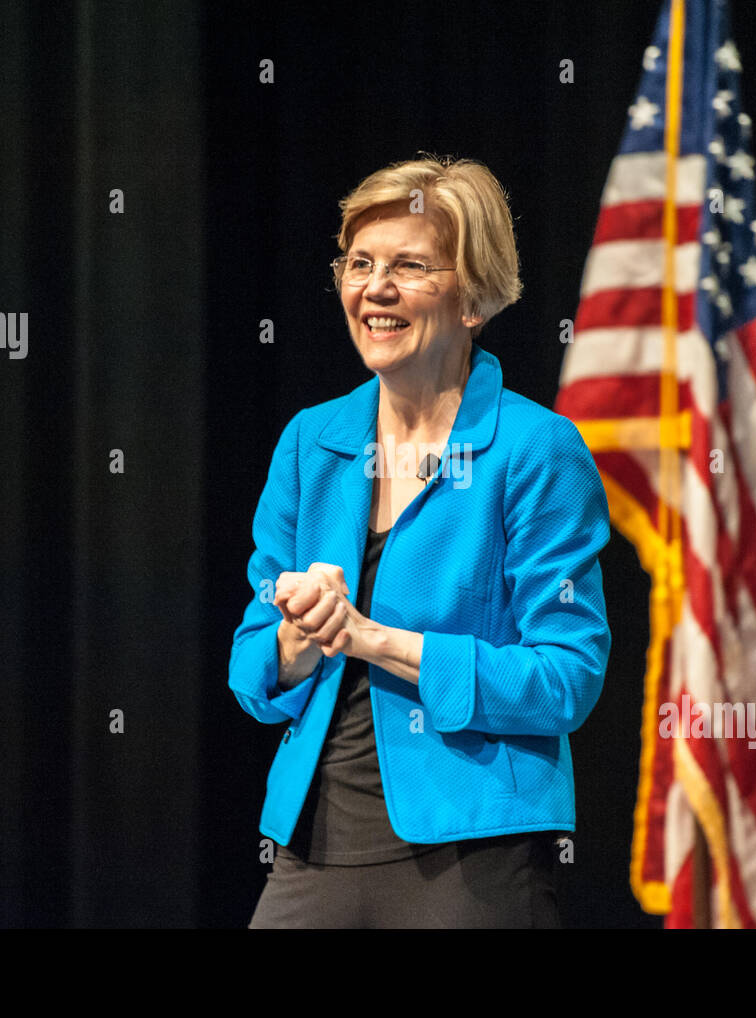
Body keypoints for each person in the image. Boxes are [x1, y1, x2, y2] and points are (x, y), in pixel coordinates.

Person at [227, 153, 611, 928]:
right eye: (360, 263)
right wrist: (304, 638)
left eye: (409, 266)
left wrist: (377, 640)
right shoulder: (312, 443)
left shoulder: (534, 449)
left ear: (472, 300)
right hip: (311, 845)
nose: (376, 288)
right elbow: (250, 665)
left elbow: (566, 679)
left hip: (471, 855)